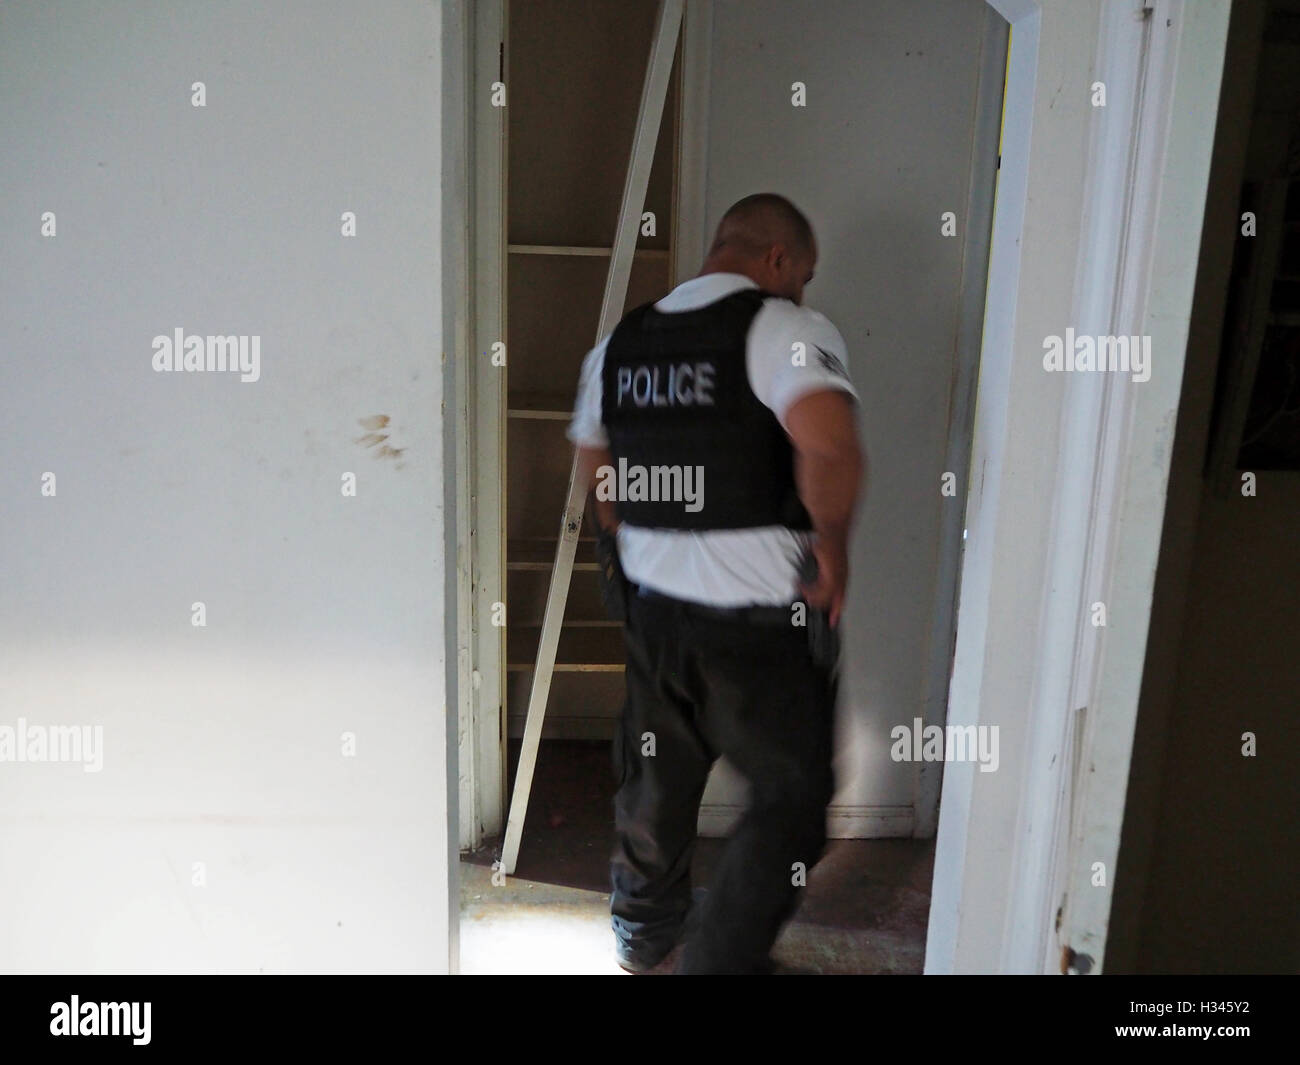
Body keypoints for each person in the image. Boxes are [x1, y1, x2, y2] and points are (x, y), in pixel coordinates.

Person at [566, 192, 865, 974]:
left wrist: (630, 542)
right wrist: (833, 544)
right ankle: (721, 962)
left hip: (653, 614)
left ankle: (645, 933)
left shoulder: (621, 344)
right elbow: (828, 446)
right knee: (792, 799)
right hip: (757, 626)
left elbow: (597, 466)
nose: (801, 289)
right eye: (801, 273)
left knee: (656, 783)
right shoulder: (784, 328)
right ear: (776, 260)